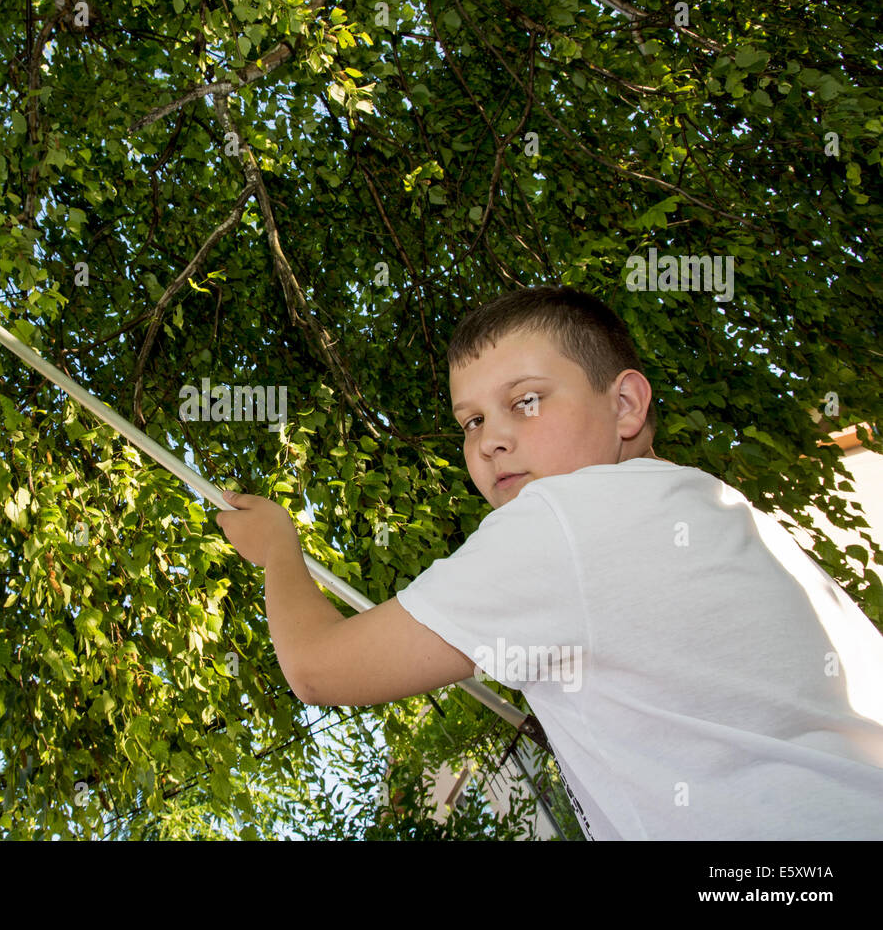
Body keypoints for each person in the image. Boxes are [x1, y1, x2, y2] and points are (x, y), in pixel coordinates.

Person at [215, 284, 883, 839]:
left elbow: (318, 668)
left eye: (525, 401)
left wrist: (278, 546)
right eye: (470, 421)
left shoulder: (567, 516)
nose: (492, 441)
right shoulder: (715, 508)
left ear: (623, 404)